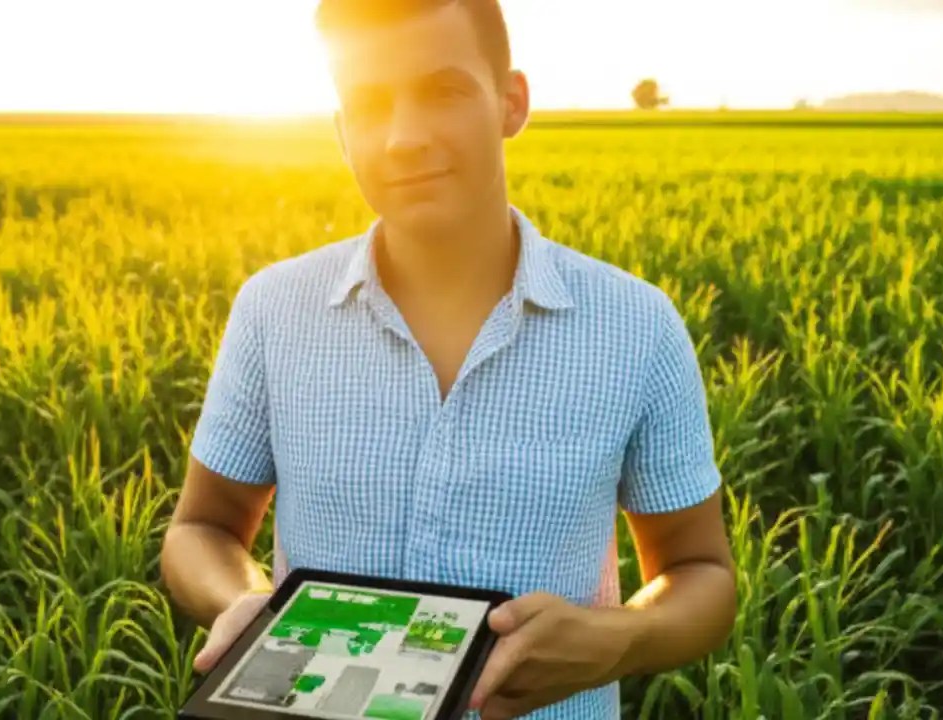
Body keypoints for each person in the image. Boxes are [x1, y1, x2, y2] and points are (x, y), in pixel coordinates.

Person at [160, 1, 737, 717]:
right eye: (370, 105)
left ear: (511, 103)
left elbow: (700, 570)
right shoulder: (273, 310)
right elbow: (201, 528)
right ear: (342, 132)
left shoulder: (635, 326)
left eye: (443, 92)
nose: (404, 138)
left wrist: (620, 637)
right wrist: (251, 605)